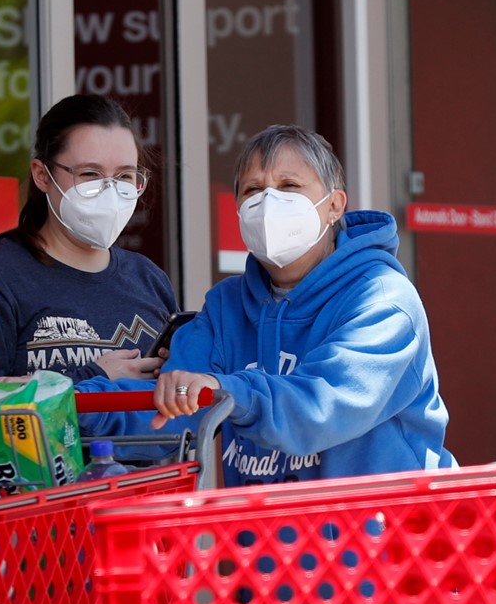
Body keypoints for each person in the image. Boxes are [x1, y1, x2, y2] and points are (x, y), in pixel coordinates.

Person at [78, 124, 457, 486]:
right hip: (267, 547)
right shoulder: (226, 307)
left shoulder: (382, 299)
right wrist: (68, 406)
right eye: (253, 190)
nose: (268, 201)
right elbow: (166, 412)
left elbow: (319, 410)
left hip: (386, 543)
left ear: (335, 205)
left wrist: (227, 390)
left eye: (289, 185)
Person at [0, 94, 178, 386]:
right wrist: (92, 379)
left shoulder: (149, 280)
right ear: (42, 175)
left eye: (124, 175)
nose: (110, 190)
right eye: (90, 173)